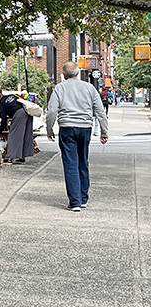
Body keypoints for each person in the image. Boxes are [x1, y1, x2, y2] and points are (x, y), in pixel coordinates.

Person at [46, 61, 108, 212]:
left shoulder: (59, 88)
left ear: (64, 74)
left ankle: (75, 202)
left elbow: (52, 111)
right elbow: (100, 111)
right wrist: (104, 132)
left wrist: (49, 129)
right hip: (85, 128)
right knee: (83, 161)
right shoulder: (89, 88)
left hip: (67, 128)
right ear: (78, 73)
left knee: (70, 164)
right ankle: (83, 198)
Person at [0, 91, 33, 163]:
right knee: (25, 134)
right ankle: (22, 156)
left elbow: (4, 120)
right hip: (28, 111)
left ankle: (10, 157)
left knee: (13, 135)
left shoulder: (2, 102)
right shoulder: (11, 96)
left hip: (19, 113)